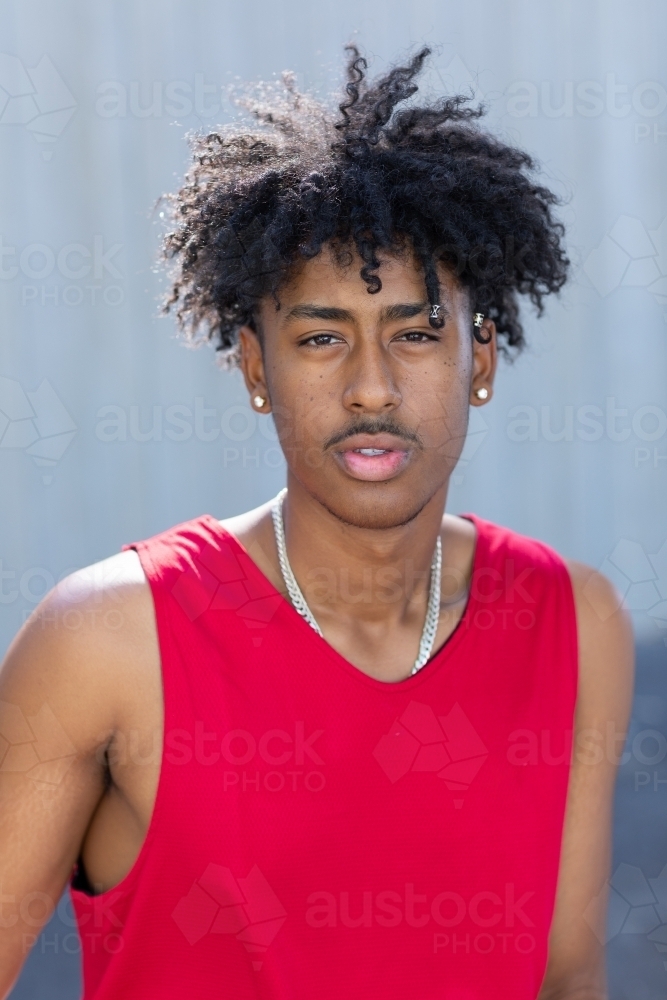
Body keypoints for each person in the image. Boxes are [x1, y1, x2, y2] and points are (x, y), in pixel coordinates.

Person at [0, 46, 633, 1000]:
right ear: (255, 368)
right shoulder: (109, 636)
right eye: (320, 337)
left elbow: (566, 978)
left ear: (483, 360)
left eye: (417, 334)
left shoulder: (571, 620)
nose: (371, 387)